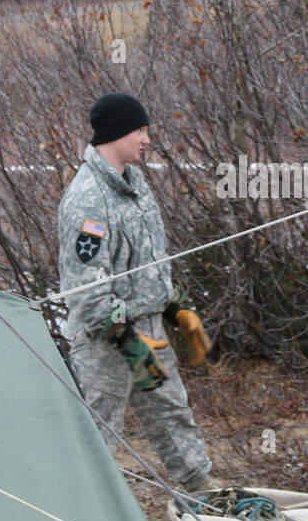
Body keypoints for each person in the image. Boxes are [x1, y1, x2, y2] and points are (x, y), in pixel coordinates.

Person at [57, 93, 222, 495]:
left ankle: (203, 493)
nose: (147, 140)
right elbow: (86, 291)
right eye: (140, 131)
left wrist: (175, 309)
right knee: (96, 438)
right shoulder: (88, 200)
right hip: (105, 342)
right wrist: (128, 342)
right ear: (116, 133)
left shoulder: (136, 184)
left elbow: (148, 260)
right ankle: (84, 515)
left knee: (172, 414)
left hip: (148, 330)